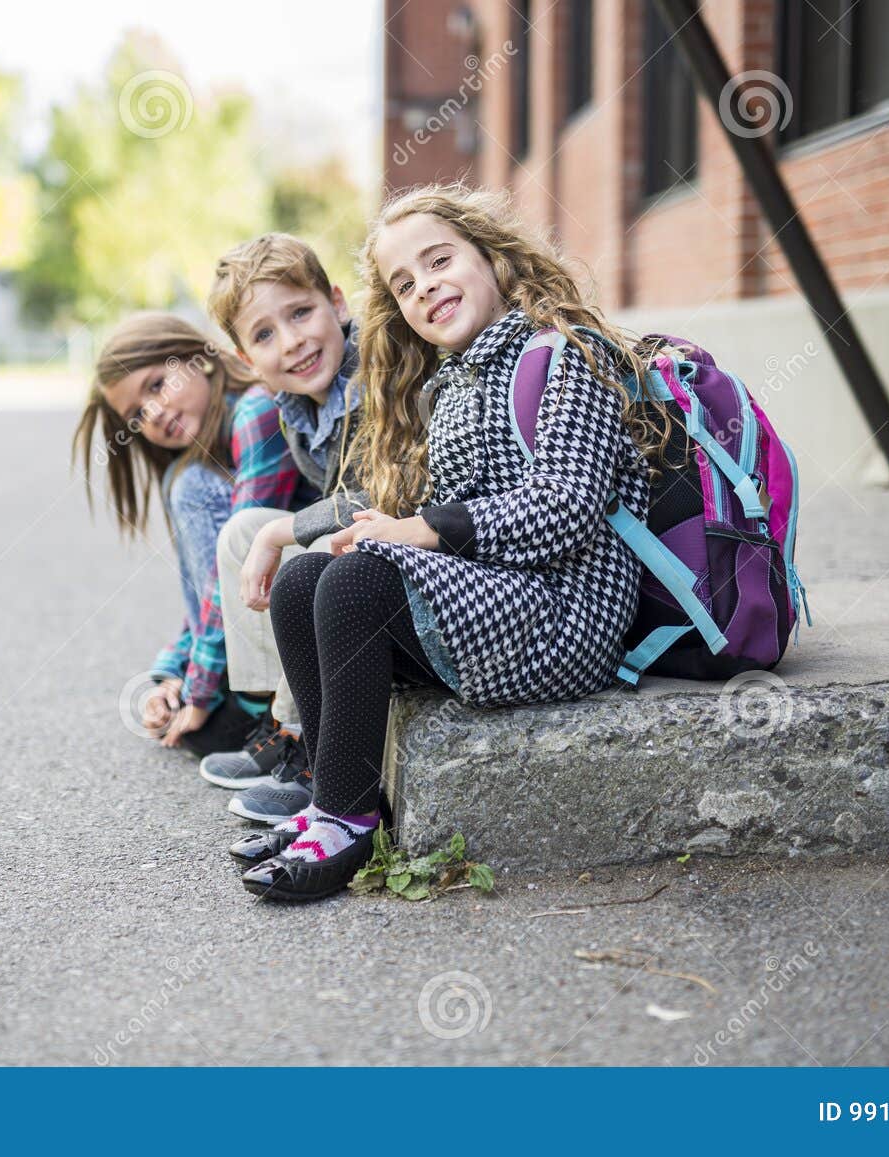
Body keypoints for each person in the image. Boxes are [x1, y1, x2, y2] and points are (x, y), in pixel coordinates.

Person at [241, 184, 672, 902]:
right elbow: (398, 505)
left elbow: (565, 509)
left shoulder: (563, 353)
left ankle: (348, 826)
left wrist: (428, 530)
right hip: (497, 600)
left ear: (494, 257)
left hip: (567, 613)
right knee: (305, 579)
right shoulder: (450, 385)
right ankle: (334, 799)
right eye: (404, 284)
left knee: (359, 584)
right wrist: (294, 531)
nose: (425, 287)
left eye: (440, 260)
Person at [196, 235, 369, 830]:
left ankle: (317, 755)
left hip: (408, 553)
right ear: (246, 359)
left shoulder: (376, 377)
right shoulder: (295, 409)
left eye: (301, 313)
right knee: (244, 530)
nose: (292, 342)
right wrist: (274, 534)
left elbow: (386, 502)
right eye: (264, 334)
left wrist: (287, 534)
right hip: (363, 547)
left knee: (303, 550)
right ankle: (286, 727)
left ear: (338, 305)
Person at [73, 312, 301, 753]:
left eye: (157, 385)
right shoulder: (195, 459)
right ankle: (235, 694)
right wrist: (172, 676)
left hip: (301, 593)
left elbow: (241, 565)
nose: (153, 413)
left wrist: (200, 694)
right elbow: (207, 592)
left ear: (199, 359)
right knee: (184, 480)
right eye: (137, 414)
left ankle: (260, 705)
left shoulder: (255, 412)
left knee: (190, 486)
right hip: (266, 605)